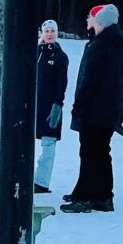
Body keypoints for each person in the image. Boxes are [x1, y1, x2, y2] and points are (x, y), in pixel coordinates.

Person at [61, 3, 123, 214]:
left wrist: (78, 107)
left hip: (95, 111)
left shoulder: (99, 46)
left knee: (90, 152)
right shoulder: (118, 46)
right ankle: (101, 196)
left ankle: (84, 198)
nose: (88, 21)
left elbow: (87, 81)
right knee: (100, 152)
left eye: (90, 18)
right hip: (108, 112)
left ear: (99, 22)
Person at [34, 19, 69, 194]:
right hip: (33, 107)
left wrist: (57, 105)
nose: (49, 34)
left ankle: (41, 182)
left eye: (52, 31)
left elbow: (61, 83)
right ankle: (20, 177)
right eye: (46, 31)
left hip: (50, 109)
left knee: (48, 145)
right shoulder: (35, 53)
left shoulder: (60, 57)